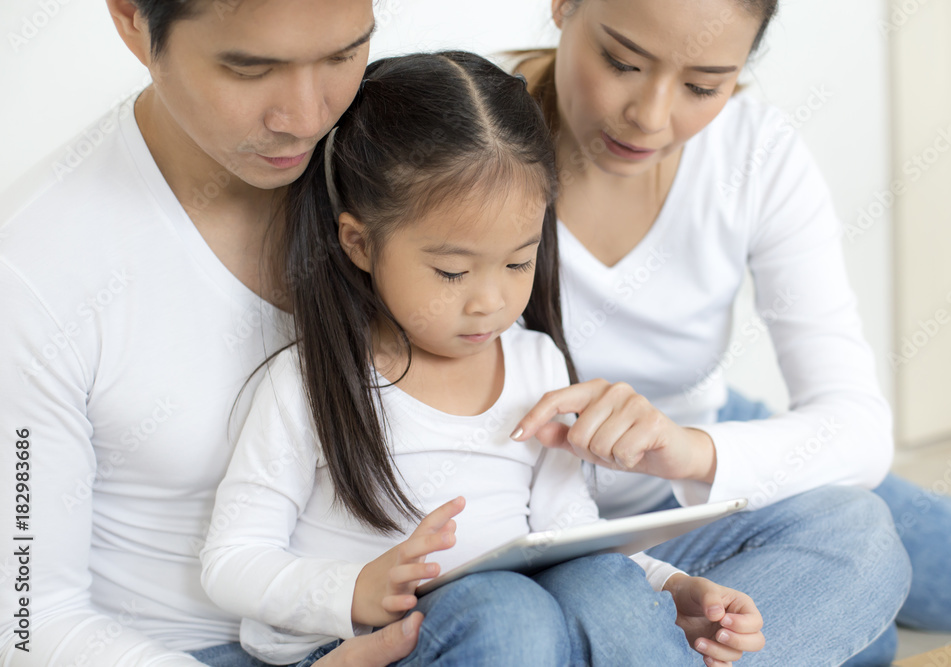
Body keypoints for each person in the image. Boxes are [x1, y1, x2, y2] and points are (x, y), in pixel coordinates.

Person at [199, 51, 765, 667]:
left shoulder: (536, 364)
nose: (491, 302)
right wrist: (354, 591)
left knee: (603, 586)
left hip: (520, 633)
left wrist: (666, 587)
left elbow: (566, 534)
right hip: (359, 649)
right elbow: (230, 562)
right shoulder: (309, 382)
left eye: (520, 261)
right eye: (452, 271)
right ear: (360, 243)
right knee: (507, 610)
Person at [506, 0, 928, 664]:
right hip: (538, 533)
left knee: (867, 539)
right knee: (865, 636)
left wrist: (688, 450)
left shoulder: (755, 154)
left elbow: (859, 426)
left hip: (702, 472)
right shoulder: (469, 145)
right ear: (562, 6)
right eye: (621, 61)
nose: (649, 115)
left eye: (703, 86)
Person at [0, 0, 419, 664]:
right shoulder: (31, 272)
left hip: (411, 617)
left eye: (343, 55)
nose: (307, 118)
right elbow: (25, 618)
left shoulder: (401, 162)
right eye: (251, 68)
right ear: (132, 19)